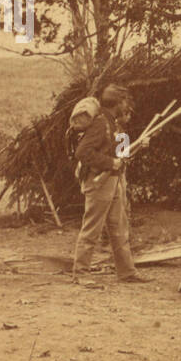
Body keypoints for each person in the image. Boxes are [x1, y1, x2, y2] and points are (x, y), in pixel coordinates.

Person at [71, 84, 150, 283]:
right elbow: (82, 152)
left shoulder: (114, 123)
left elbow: (122, 155)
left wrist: (140, 144)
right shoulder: (100, 123)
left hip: (113, 181)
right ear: (117, 103)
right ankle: (80, 274)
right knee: (92, 229)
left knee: (119, 229)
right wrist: (109, 163)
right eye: (124, 101)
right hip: (98, 182)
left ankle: (127, 273)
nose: (126, 105)